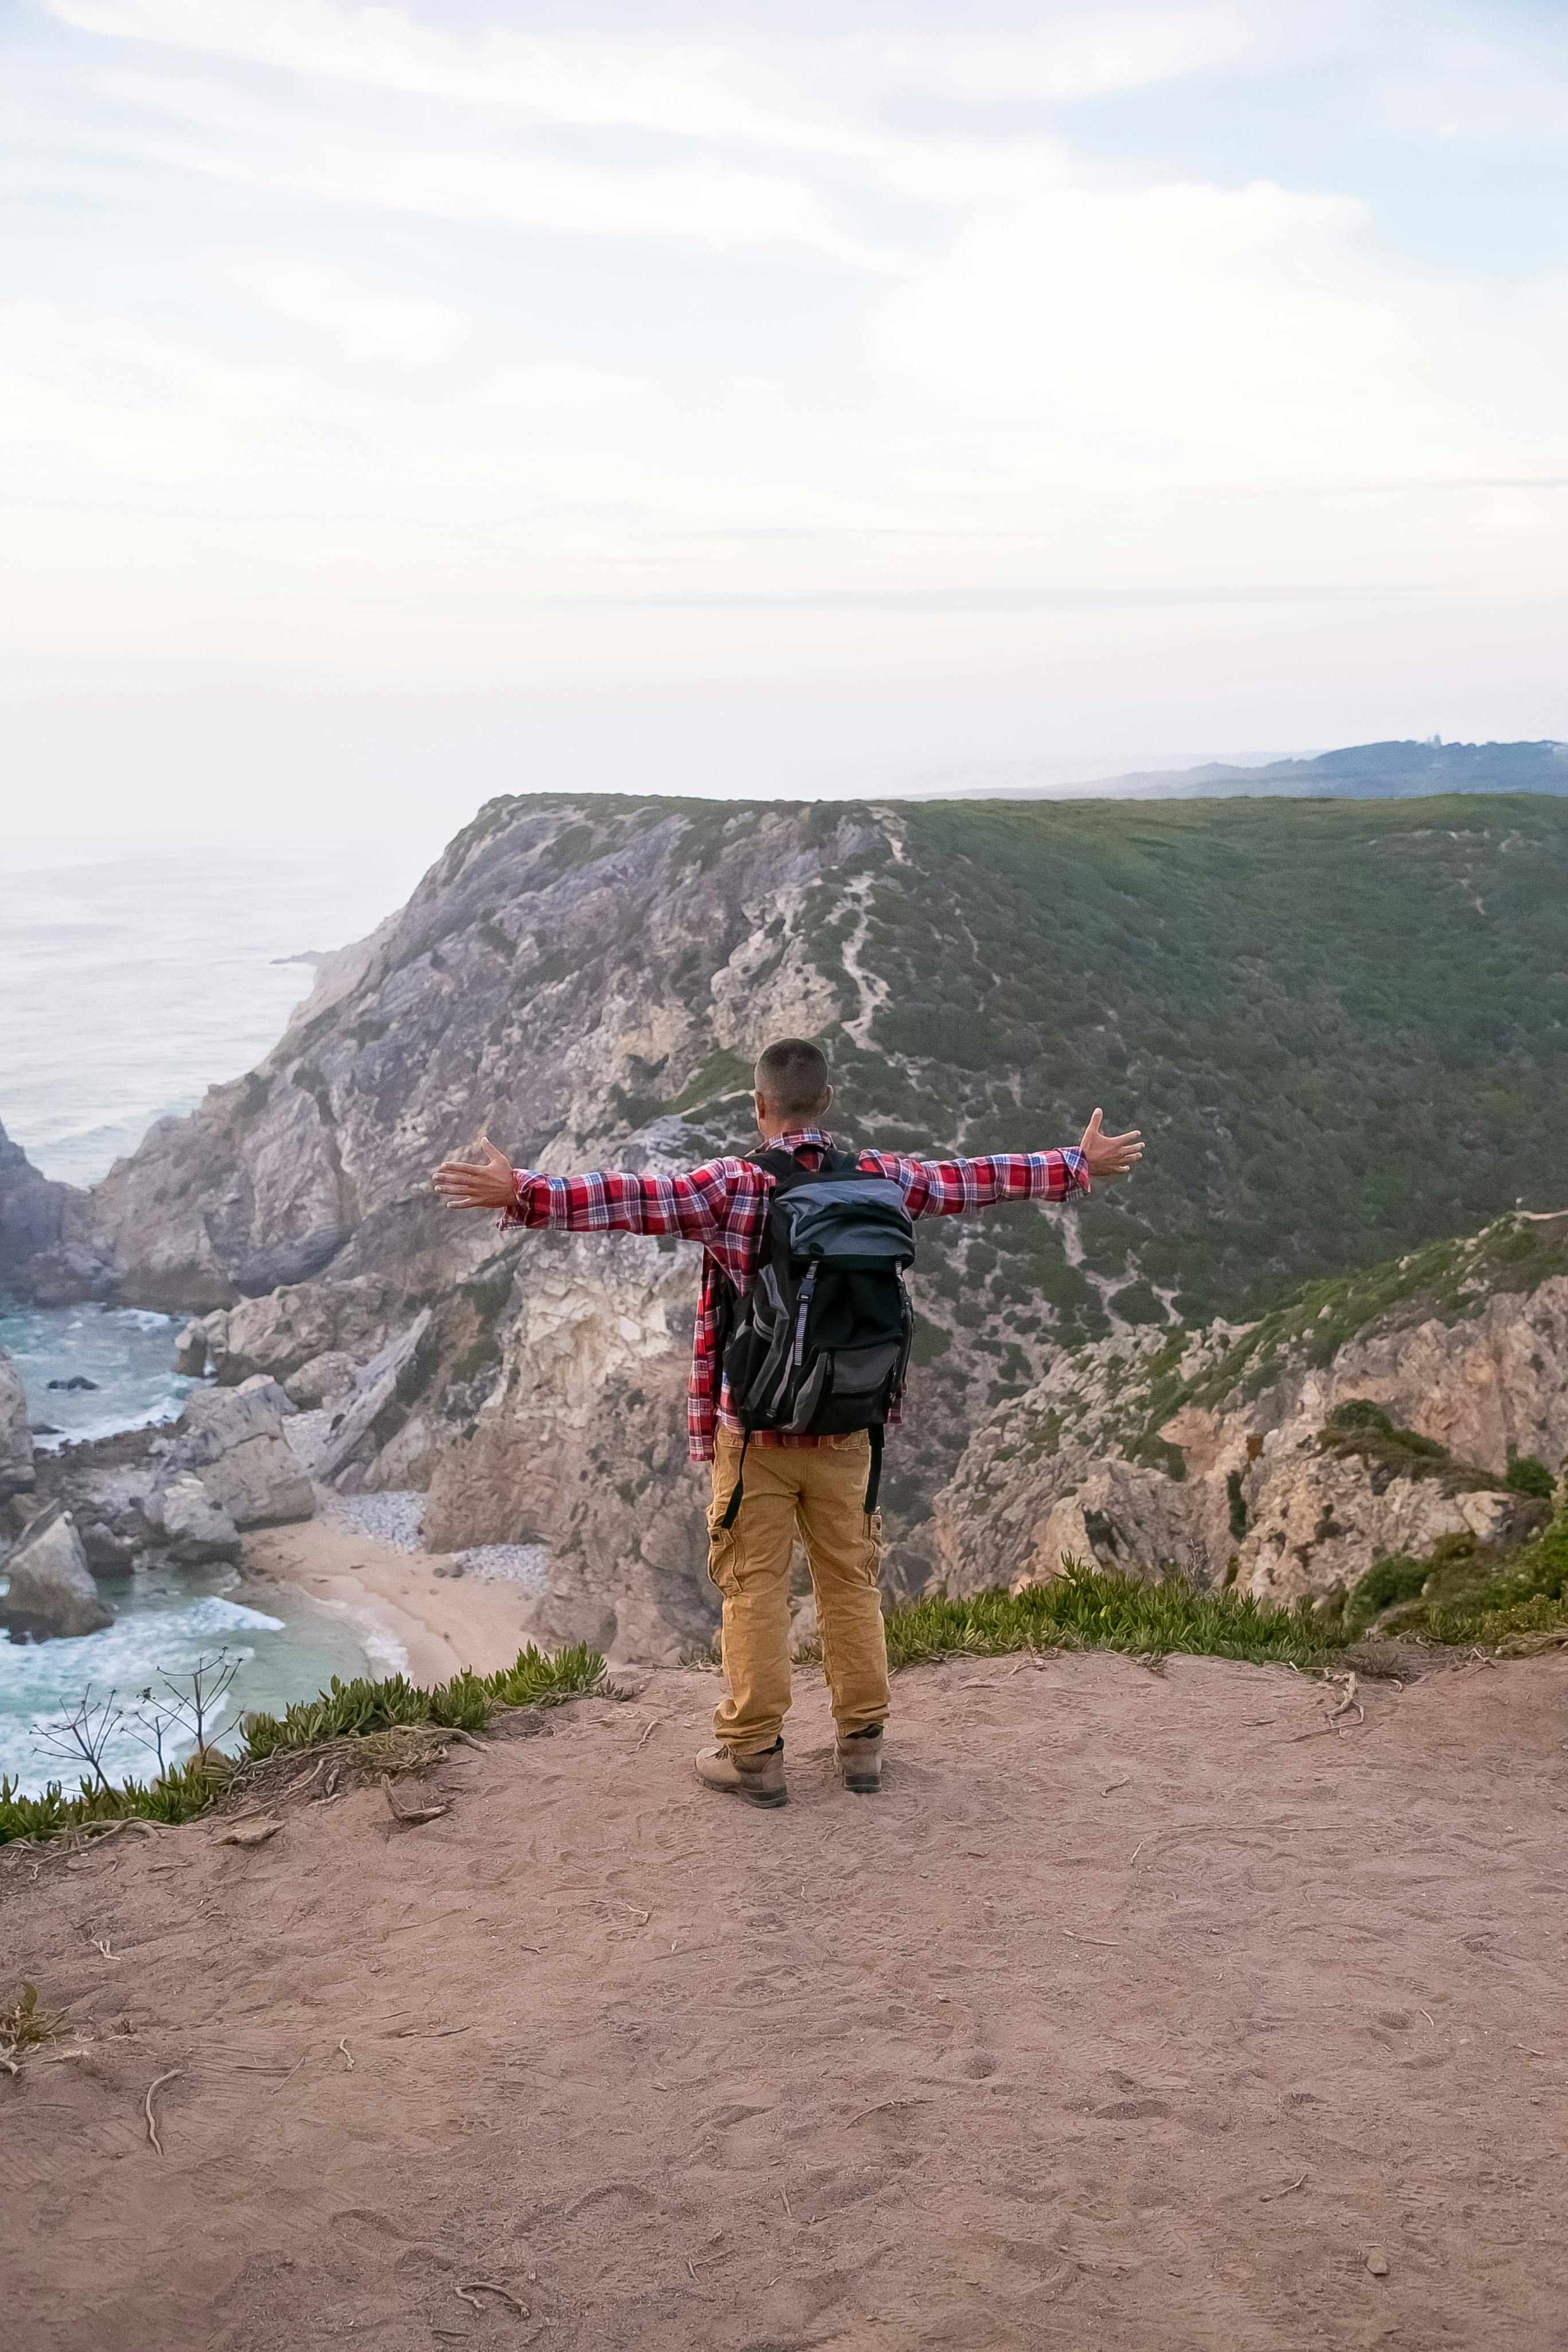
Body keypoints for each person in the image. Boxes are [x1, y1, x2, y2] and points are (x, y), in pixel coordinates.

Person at [433, 1038, 1141, 1808]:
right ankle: (862, 1746)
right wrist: (1077, 1163)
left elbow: (628, 1199)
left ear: (759, 1106)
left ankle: (754, 1755)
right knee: (851, 1585)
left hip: (758, 1432)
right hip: (850, 1426)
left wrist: (522, 1191)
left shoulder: (734, 1187)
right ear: (827, 1102)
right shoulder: (882, 1177)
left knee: (755, 1591)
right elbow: (974, 1179)